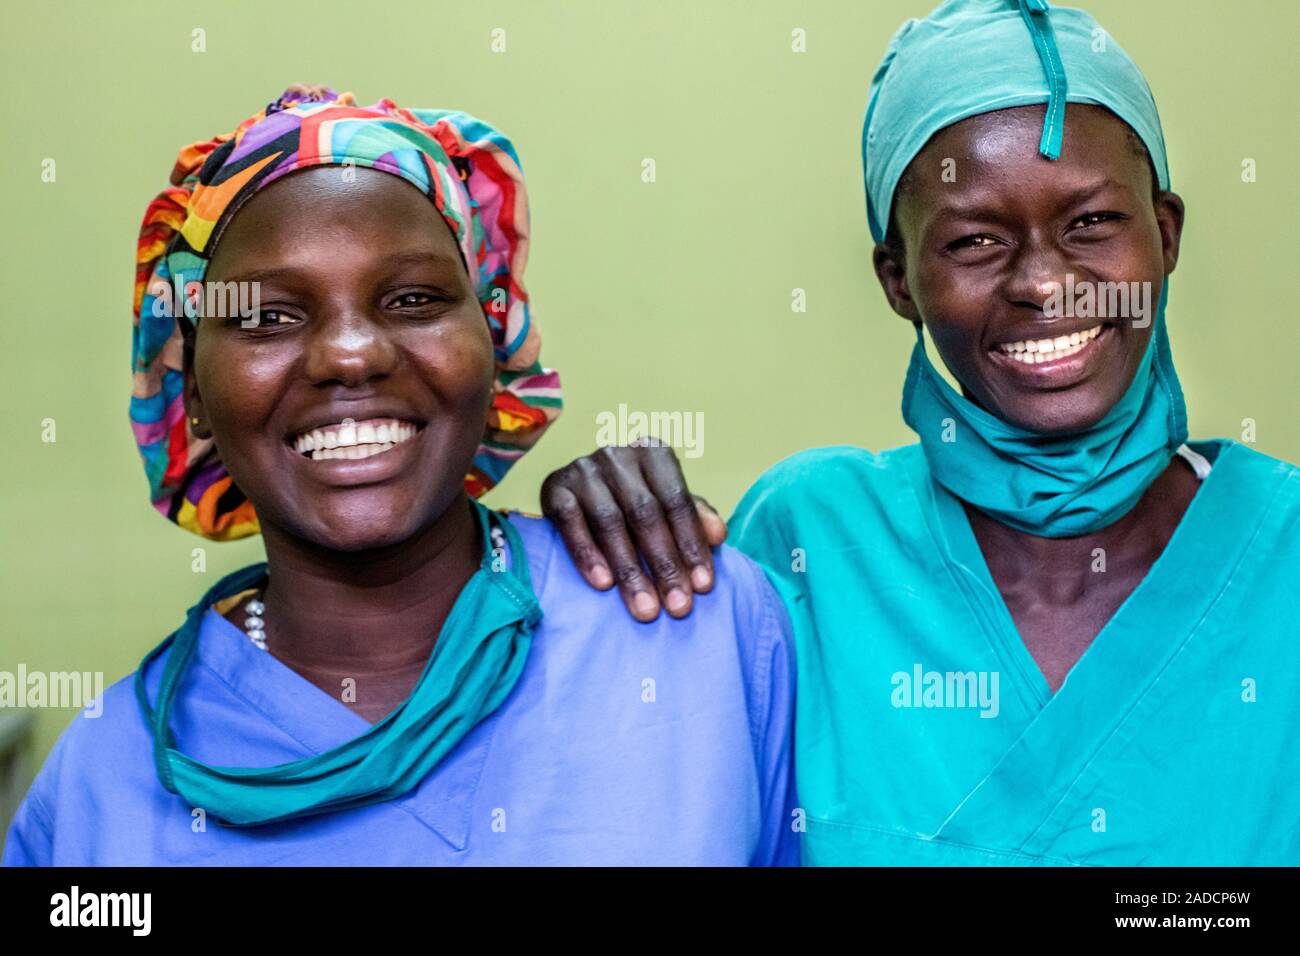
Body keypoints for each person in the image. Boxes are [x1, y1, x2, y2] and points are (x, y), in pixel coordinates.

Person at [538, 0, 1300, 865]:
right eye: (975, 241)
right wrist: (573, 564)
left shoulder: (1284, 554)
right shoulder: (812, 544)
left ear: (1165, 236)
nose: (1046, 285)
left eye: (1091, 223)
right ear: (898, 282)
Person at [2, 87, 798, 866]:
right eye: (269, 316)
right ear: (195, 389)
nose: (351, 353)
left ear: (493, 348)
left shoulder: (702, 634)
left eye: (413, 299)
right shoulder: (98, 792)